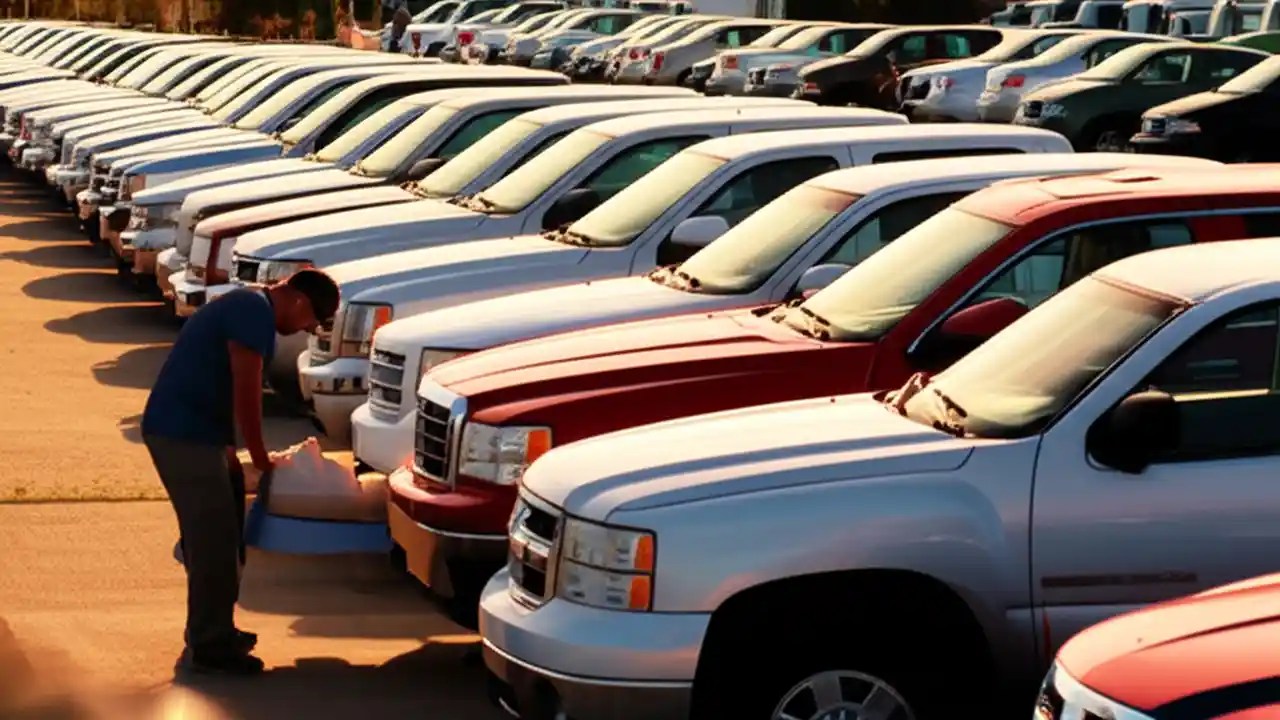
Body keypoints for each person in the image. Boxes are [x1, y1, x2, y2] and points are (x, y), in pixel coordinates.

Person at [142, 270, 340, 675]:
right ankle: (210, 645)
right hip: (183, 435)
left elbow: (221, 386)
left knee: (227, 532)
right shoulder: (254, 314)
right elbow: (246, 391)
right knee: (212, 540)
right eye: (310, 322)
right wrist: (262, 457)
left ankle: (216, 628)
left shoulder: (249, 307)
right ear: (300, 301)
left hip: (200, 433)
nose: (304, 330)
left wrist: (232, 454)